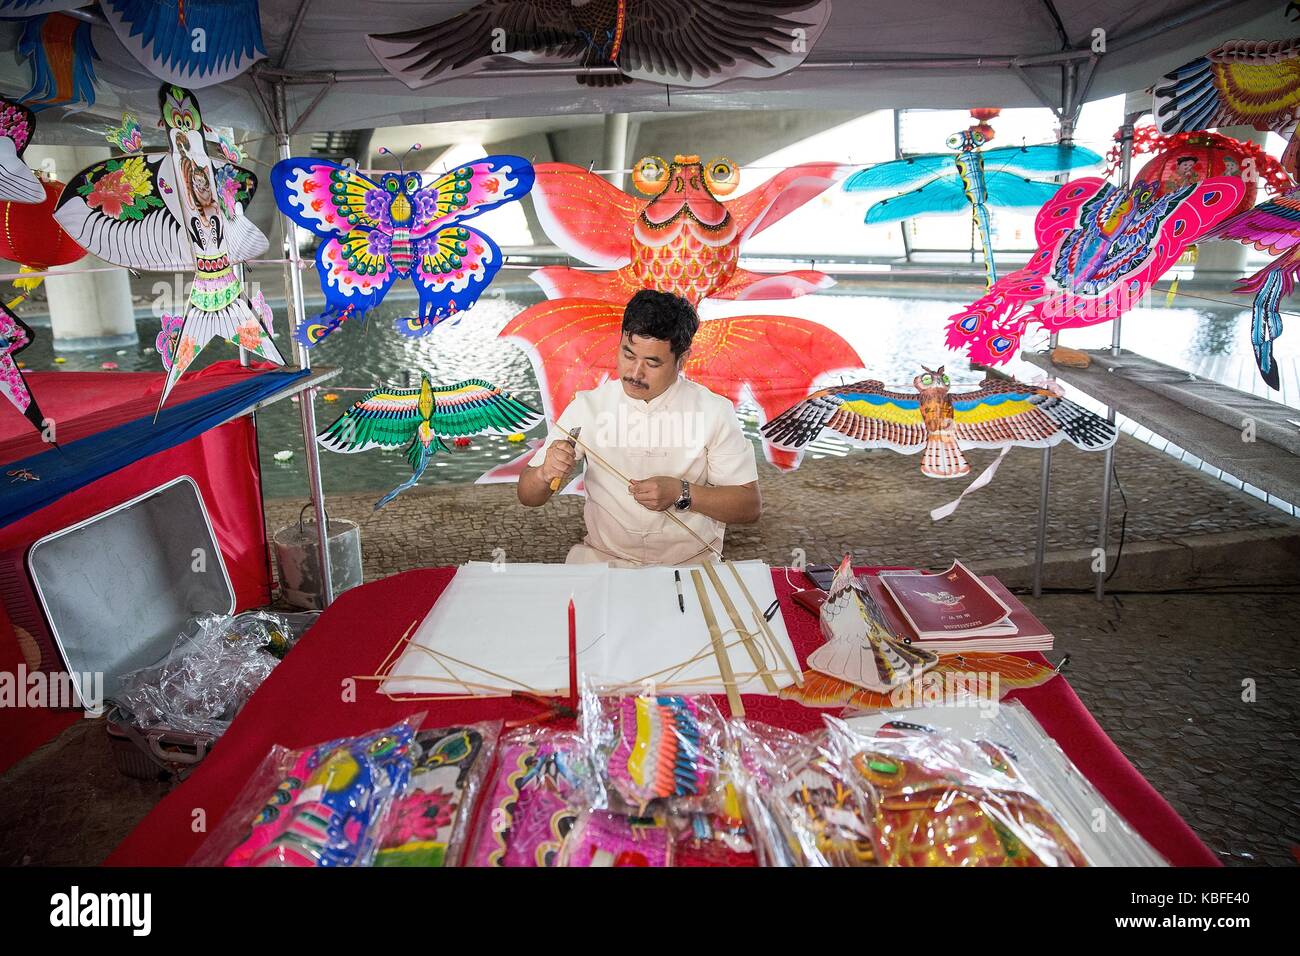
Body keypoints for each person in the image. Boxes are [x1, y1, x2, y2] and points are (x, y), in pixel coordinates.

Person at [518, 289, 761, 566]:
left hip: (690, 563)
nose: (634, 373)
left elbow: (749, 505)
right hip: (603, 558)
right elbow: (528, 496)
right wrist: (545, 472)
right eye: (628, 355)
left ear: (683, 360)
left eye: (652, 363)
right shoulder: (589, 406)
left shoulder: (714, 411)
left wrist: (682, 493)